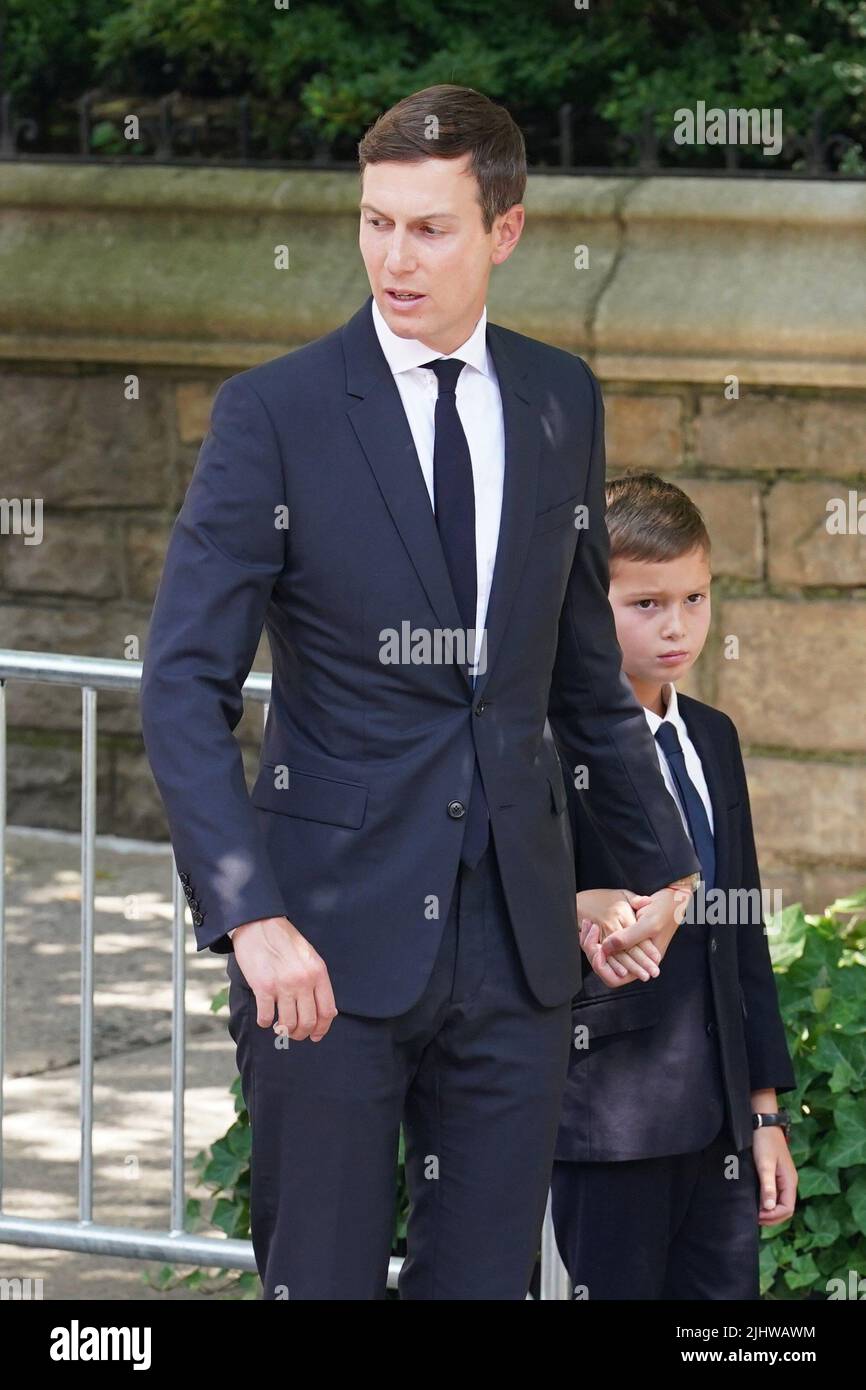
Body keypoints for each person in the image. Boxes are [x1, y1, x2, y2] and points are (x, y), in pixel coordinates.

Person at [139, 84, 700, 1301]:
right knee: (324, 1280)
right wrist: (250, 918)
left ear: (502, 229)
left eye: (429, 228)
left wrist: (651, 872)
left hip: (517, 954)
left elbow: (581, 678)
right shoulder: (274, 416)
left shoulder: (560, 400)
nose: (394, 258)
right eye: (374, 222)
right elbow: (181, 684)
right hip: (323, 946)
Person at [551, 472, 798, 1300]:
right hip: (609, 1116)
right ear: (591, 603)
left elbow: (743, 939)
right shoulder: (544, 746)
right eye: (646, 603)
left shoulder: (713, 739)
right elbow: (497, 903)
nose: (678, 627)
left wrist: (763, 1114)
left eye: (694, 598)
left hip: (722, 1116)